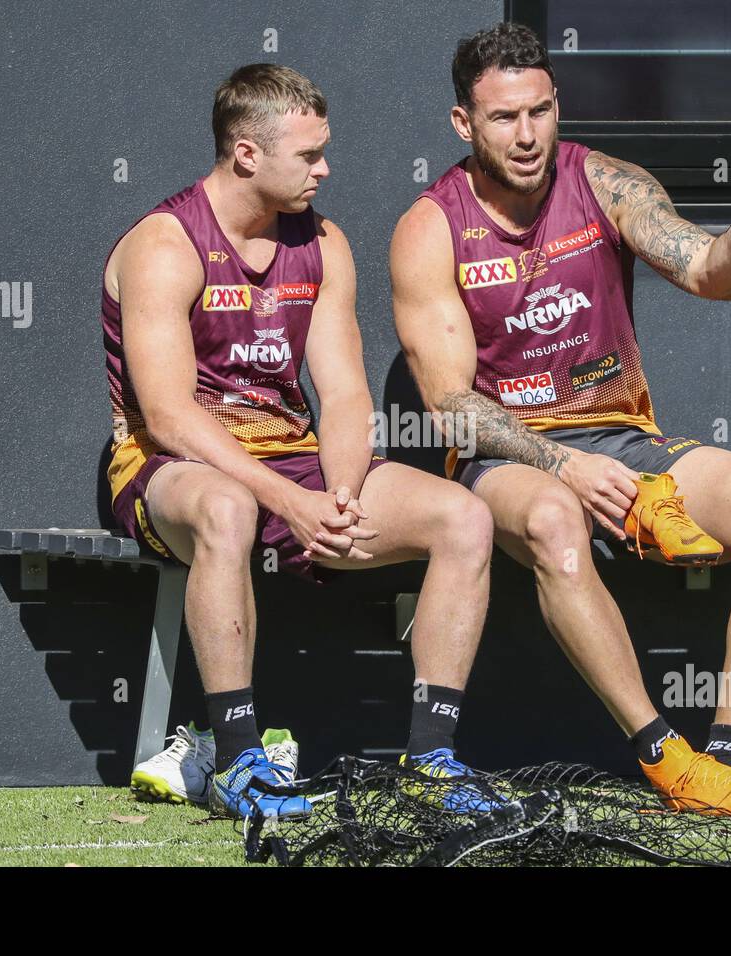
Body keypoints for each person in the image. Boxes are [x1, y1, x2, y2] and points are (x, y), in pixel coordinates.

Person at [390, 23, 731, 816]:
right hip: (506, 458)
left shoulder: (606, 182)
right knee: (557, 519)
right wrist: (563, 467)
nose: (526, 136)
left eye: (540, 111)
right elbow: (451, 407)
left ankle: (724, 753)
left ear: (557, 105)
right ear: (464, 124)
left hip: (623, 436)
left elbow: (705, 271)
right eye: (502, 119)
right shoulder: (431, 227)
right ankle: (662, 753)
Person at [104, 64, 496, 818]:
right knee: (226, 507)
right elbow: (170, 414)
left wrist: (338, 496)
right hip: (168, 463)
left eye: (325, 152)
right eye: (310, 155)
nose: (325, 169)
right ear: (247, 153)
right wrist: (292, 500)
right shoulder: (166, 243)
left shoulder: (323, 243)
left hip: (293, 456)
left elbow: (345, 392)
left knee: (465, 517)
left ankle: (432, 762)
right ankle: (237, 757)